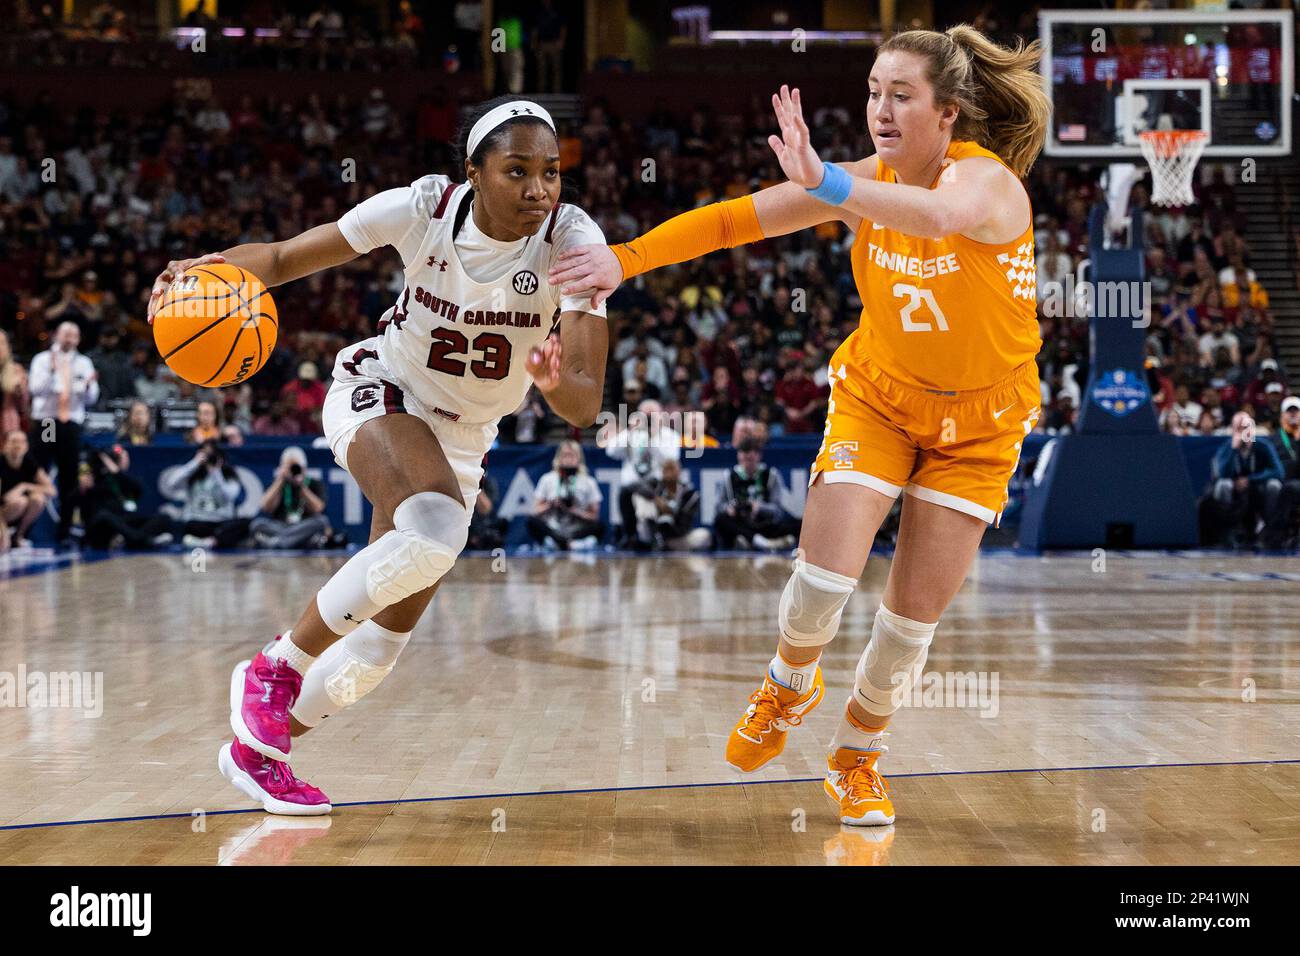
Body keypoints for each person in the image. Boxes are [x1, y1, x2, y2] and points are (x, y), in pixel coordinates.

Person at [550, 26, 1050, 826]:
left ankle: (856, 756)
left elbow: (931, 217)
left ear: (948, 112)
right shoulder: (860, 179)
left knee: (906, 625)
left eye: (902, 95)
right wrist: (624, 260)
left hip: (983, 426)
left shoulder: (987, 186)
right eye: (873, 91)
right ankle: (788, 683)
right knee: (820, 581)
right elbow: (733, 222)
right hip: (881, 396)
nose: (881, 110)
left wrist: (832, 186)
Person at [148, 96, 609, 814]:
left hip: (467, 439)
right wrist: (199, 275)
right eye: (517, 171)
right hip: (383, 390)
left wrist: (553, 384)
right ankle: (274, 669)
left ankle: (257, 752)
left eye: (551, 173)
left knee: (374, 654)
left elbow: (584, 404)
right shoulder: (421, 209)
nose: (539, 190)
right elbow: (276, 260)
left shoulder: (575, 243)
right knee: (433, 530)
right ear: (473, 173)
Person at [28, 321, 99, 544]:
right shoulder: (42, 360)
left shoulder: (85, 363)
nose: (69, 338)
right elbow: (36, 389)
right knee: (40, 468)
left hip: (70, 423)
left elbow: (91, 398)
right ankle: (28, 529)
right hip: (48, 421)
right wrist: (52, 370)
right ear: (56, 335)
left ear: (78, 339)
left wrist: (87, 387)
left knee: (70, 476)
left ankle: (65, 531)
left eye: (74, 335)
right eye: (65, 334)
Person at [1200, 412, 1284, 548]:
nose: (1244, 432)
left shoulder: (1263, 445)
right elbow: (1221, 474)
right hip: (1234, 491)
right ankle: (1226, 532)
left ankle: (1271, 530)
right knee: (1223, 485)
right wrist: (1234, 449)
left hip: (1258, 489)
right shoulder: (1228, 447)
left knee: (1274, 485)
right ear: (1233, 430)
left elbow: (1278, 471)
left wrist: (1251, 479)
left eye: (1246, 427)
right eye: (1239, 428)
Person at [604, 398, 680, 547]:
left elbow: (671, 459)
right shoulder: (631, 433)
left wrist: (652, 437)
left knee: (645, 493)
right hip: (631, 487)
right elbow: (611, 451)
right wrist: (630, 432)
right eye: (645, 415)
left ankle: (649, 535)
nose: (649, 419)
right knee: (629, 491)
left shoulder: (669, 435)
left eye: (652, 415)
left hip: (657, 486)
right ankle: (632, 535)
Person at [78, 443, 173, 550]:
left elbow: (138, 490)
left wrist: (116, 471)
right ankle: (139, 539)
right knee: (104, 516)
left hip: (124, 521)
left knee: (164, 518)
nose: (125, 459)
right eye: (122, 457)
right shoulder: (99, 479)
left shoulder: (125, 480)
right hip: (103, 526)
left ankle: (135, 538)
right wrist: (102, 459)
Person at [159, 440, 251, 550]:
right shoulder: (194, 475)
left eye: (212, 455)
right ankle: (213, 540)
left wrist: (217, 473)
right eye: (206, 455)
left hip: (221, 522)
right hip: (198, 522)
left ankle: (209, 542)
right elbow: (171, 483)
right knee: (189, 525)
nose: (209, 459)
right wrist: (194, 462)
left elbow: (230, 496)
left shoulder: (229, 476)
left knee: (245, 523)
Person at [712, 438, 801, 551]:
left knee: (799, 523)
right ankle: (762, 543)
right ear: (739, 456)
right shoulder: (728, 476)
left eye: (750, 459)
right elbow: (718, 507)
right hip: (740, 525)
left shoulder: (771, 475)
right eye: (744, 458)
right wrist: (728, 509)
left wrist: (760, 507)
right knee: (721, 520)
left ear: (759, 456)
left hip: (764, 524)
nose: (747, 463)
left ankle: (753, 542)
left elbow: (778, 511)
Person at [250, 446, 336, 550]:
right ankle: (289, 541)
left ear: (304, 468)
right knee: (256, 524)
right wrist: (280, 480)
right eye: (289, 467)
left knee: (322, 521)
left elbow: (318, 508)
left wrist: (301, 486)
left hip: (303, 525)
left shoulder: (314, 483)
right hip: (280, 525)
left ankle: (279, 542)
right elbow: (265, 507)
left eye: (296, 467)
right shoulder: (277, 484)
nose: (292, 471)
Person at [526, 440, 605, 550]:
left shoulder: (588, 482)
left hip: (577, 528)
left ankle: (561, 543)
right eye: (565, 455)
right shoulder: (547, 479)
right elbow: (535, 511)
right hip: (554, 528)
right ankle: (566, 543)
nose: (568, 460)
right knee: (531, 522)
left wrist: (575, 511)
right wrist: (551, 504)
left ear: (579, 458)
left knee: (600, 526)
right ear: (558, 458)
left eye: (572, 455)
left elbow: (594, 516)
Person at [627, 456, 707, 551]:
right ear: (662, 471)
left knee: (704, 535)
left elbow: (684, 526)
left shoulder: (688, 493)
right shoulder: (655, 485)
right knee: (640, 497)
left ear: (679, 471)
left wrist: (670, 513)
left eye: (672, 469)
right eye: (666, 469)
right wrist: (656, 500)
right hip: (652, 532)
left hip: (677, 536)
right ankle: (652, 541)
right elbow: (632, 486)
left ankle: (664, 545)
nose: (669, 473)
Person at [1, 429, 56, 550]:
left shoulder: (29, 462)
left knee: (38, 499)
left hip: (18, 510)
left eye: (22, 442)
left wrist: (24, 486)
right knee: (20, 502)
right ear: (5, 445)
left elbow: (52, 490)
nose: (18, 445)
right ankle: (5, 534)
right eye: (14, 441)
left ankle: (18, 536)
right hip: (3, 512)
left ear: (26, 446)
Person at [1264, 395, 1300, 548]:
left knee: (1291, 488)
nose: (1292, 414)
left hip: (1296, 483)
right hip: (1280, 481)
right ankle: (1275, 535)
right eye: (1289, 411)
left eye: (1296, 411)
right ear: (1282, 415)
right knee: (1274, 486)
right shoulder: (1273, 439)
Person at [0, 329, 30, 437]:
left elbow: (24, 406)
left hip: (8, 428)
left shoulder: (16, 370)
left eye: (2, 343)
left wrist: (19, 390)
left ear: (8, 347)